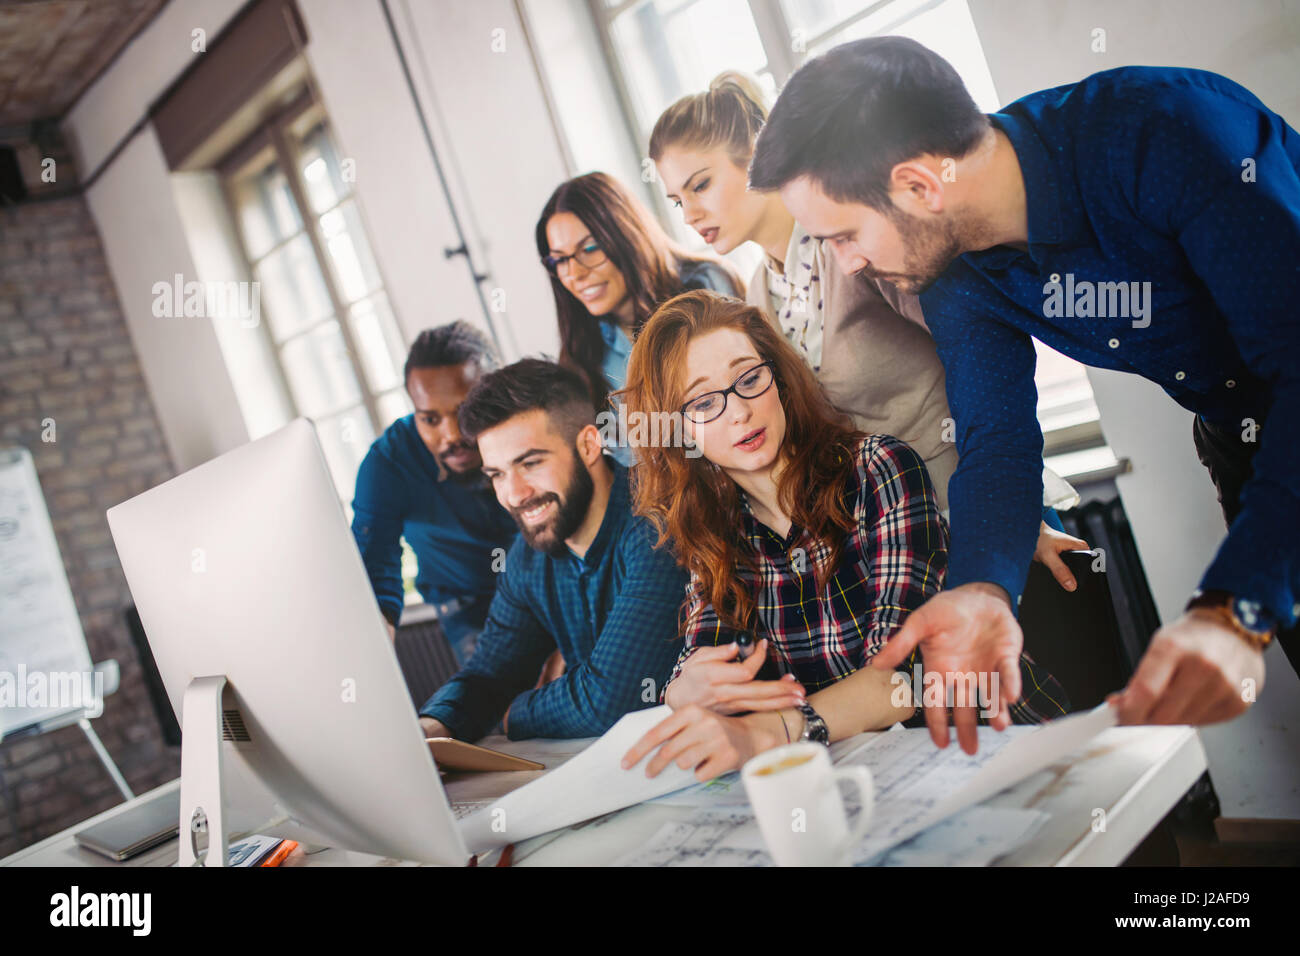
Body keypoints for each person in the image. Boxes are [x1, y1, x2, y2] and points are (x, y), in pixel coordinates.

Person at [750, 36, 1300, 751]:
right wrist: (982, 586)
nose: (847, 264)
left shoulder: (1165, 132)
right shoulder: (954, 272)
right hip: (1252, 448)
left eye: (845, 235)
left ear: (920, 185)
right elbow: (998, 440)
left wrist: (1234, 607)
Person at [649, 71, 1090, 591]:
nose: (690, 214)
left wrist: (1018, 516)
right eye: (678, 200)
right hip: (898, 544)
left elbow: (985, 356)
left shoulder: (859, 242)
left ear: (756, 155)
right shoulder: (757, 297)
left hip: (990, 517)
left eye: (701, 184)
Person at [616, 290, 1067, 782]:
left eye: (749, 379)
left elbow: (898, 683)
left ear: (780, 380)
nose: (739, 412)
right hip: (879, 778)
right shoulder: (717, 532)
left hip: (1003, 746)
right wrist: (685, 689)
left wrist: (770, 731)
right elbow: (705, 659)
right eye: (704, 402)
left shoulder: (880, 468)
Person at [416, 359, 689, 741]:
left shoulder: (656, 521)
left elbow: (610, 700)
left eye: (530, 463)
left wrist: (512, 713)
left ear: (589, 445)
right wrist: (432, 728)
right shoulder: (528, 559)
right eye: (496, 474)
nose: (514, 494)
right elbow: (488, 676)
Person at [536, 171, 744, 464]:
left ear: (626, 235)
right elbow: (635, 464)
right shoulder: (583, 354)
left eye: (590, 248)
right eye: (560, 259)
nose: (575, 273)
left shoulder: (706, 285)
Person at [351, 321, 518, 665]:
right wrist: (375, 645)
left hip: (556, 585)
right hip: (472, 612)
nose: (452, 434)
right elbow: (375, 562)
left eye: (464, 410)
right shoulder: (388, 463)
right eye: (430, 419)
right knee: (506, 713)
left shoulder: (526, 427)